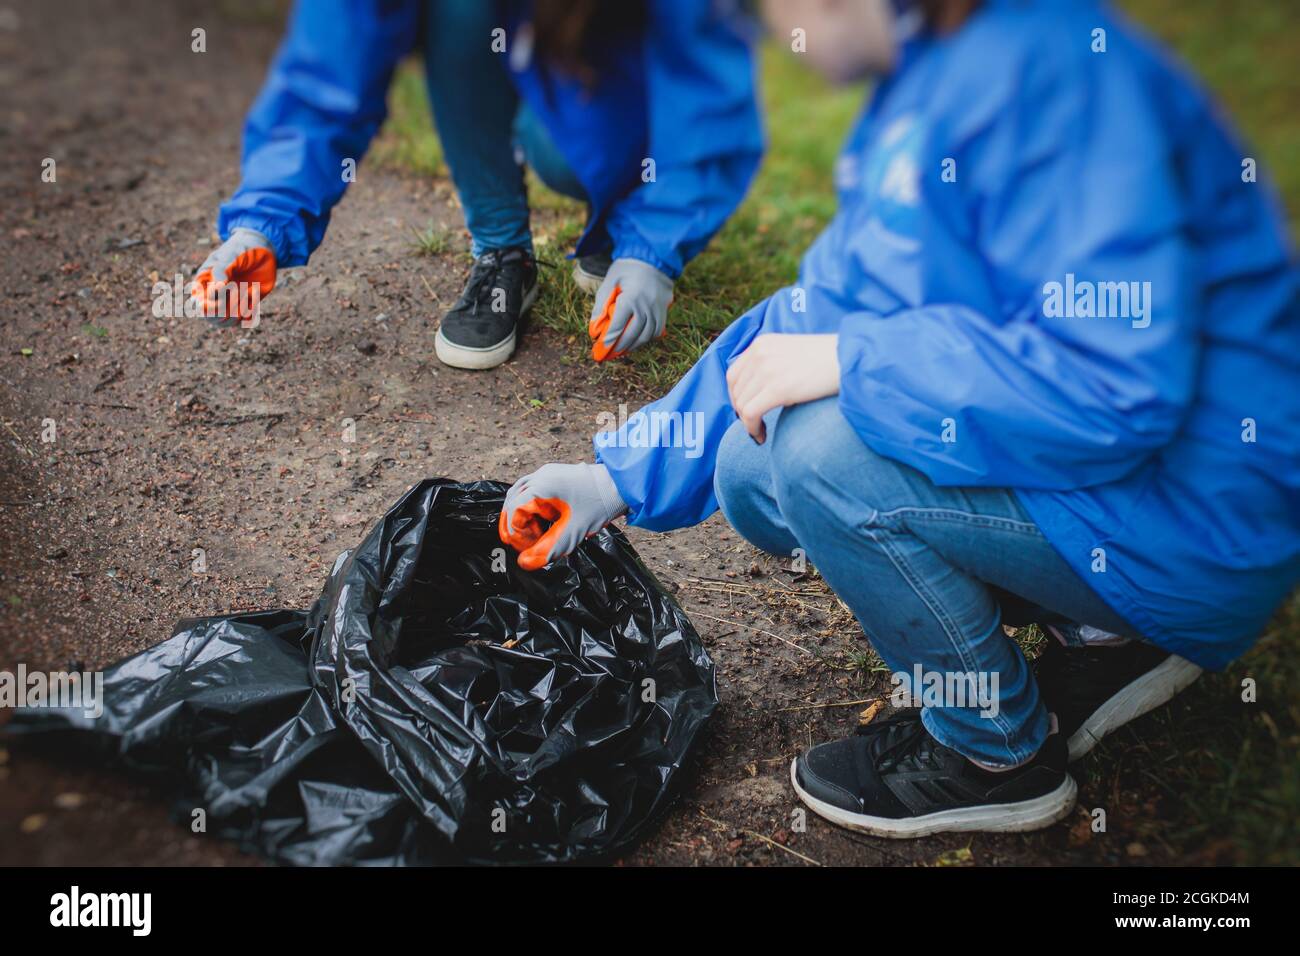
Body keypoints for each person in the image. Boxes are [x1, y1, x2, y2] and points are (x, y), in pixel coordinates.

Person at [498, 0, 1300, 837]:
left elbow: (1117, 381)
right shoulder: (925, 82)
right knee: (751, 459)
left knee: (816, 452)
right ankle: (1096, 627)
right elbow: (822, 310)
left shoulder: (1048, 71)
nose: (772, 34)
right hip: (1116, 487)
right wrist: (613, 479)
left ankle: (998, 756)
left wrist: (856, 361)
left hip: (1198, 520)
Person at [189, 0, 762, 370]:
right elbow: (328, 71)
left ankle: (619, 223)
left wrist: (654, 250)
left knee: (568, 151)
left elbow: (704, 89)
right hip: (498, 27)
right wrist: (261, 222)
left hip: (608, 47)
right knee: (460, 10)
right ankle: (502, 249)